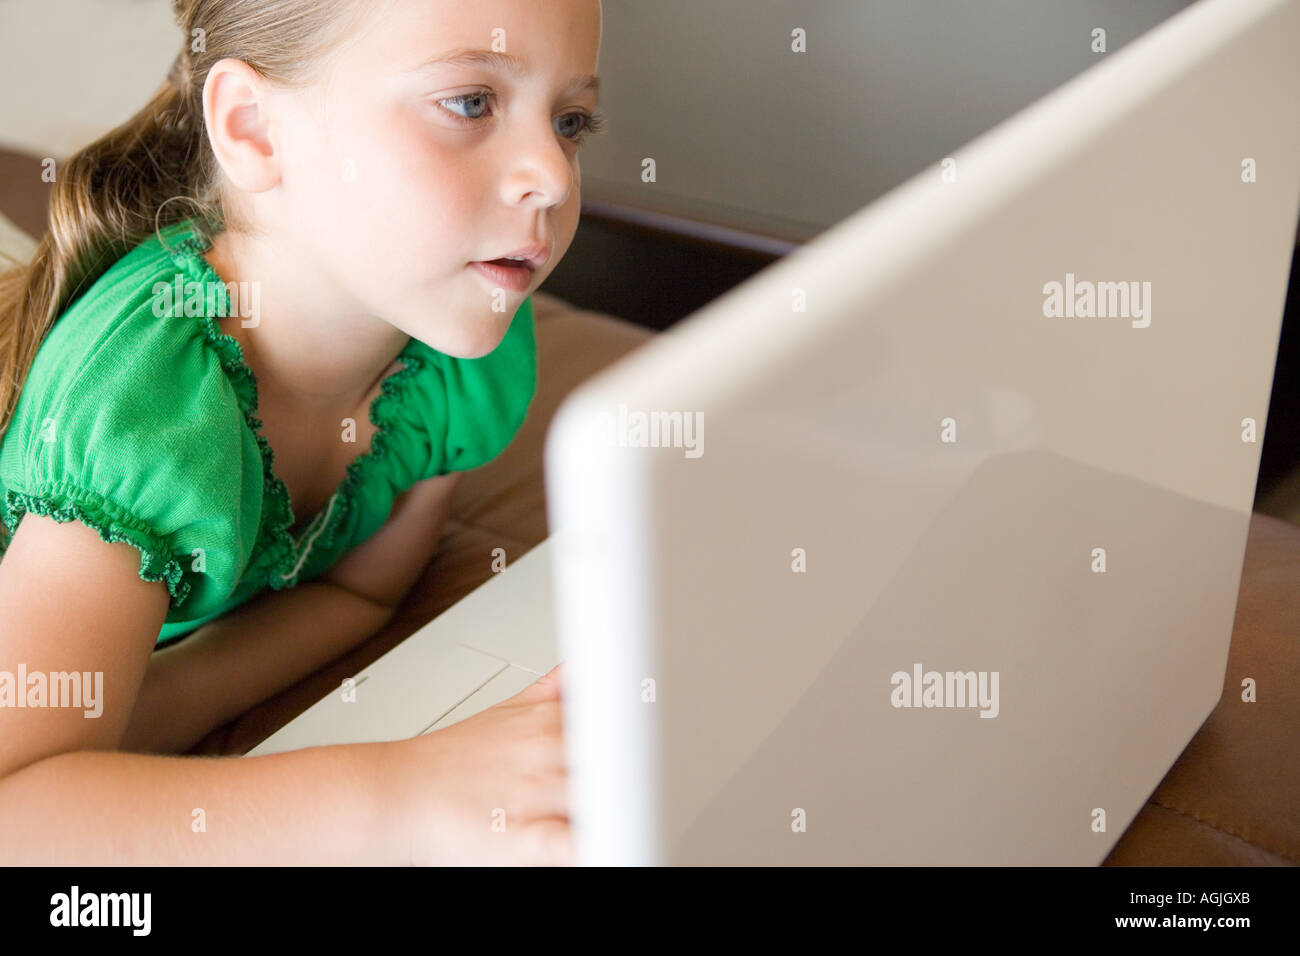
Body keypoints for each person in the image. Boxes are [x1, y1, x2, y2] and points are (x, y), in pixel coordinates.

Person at [0, 0, 605, 866]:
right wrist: (409, 792)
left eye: (571, 120)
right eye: (471, 102)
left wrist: (156, 706)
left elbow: (359, 594)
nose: (552, 174)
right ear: (254, 131)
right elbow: (15, 814)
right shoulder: (145, 411)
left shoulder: (458, 350)